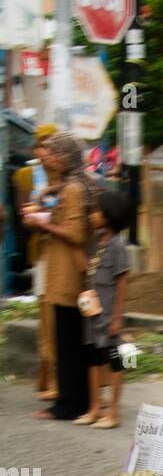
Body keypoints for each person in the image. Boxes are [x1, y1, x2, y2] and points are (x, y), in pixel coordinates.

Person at [24, 133, 94, 422]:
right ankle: (69, 401)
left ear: (66, 157)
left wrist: (47, 224)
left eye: (53, 153)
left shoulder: (75, 189)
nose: (47, 157)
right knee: (65, 338)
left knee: (68, 339)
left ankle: (70, 404)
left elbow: (76, 233)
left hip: (68, 273)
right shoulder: (70, 186)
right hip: (60, 269)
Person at [77, 190, 130, 429]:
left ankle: (114, 413)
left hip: (109, 316)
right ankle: (95, 408)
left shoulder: (118, 246)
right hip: (92, 315)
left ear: (110, 215)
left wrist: (118, 317)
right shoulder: (97, 243)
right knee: (92, 360)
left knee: (116, 362)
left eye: (97, 211)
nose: (92, 215)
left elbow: (122, 283)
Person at [14, 123, 59, 399]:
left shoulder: (69, 176)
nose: (47, 150)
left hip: (64, 248)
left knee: (57, 317)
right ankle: (48, 373)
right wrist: (37, 214)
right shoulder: (27, 176)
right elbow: (24, 218)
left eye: (52, 144)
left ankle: (50, 375)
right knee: (46, 315)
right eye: (43, 144)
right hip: (43, 250)